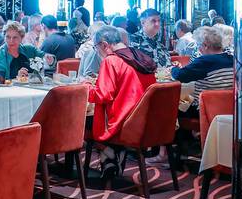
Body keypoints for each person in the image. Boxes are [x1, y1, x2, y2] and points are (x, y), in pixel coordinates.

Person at [85, 25, 157, 181]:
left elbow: (103, 95)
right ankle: (113, 154)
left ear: (104, 44)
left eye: (97, 48)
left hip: (122, 122)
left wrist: (86, 88)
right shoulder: (141, 56)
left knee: (82, 122)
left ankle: (109, 155)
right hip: (145, 119)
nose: (98, 52)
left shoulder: (112, 61)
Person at [172, 26, 234, 113]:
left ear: (205, 45)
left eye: (198, 45)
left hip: (205, 109)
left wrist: (173, 68)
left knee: (171, 106)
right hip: (227, 107)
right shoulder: (231, 58)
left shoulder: (204, 61)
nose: (198, 49)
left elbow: (180, 76)